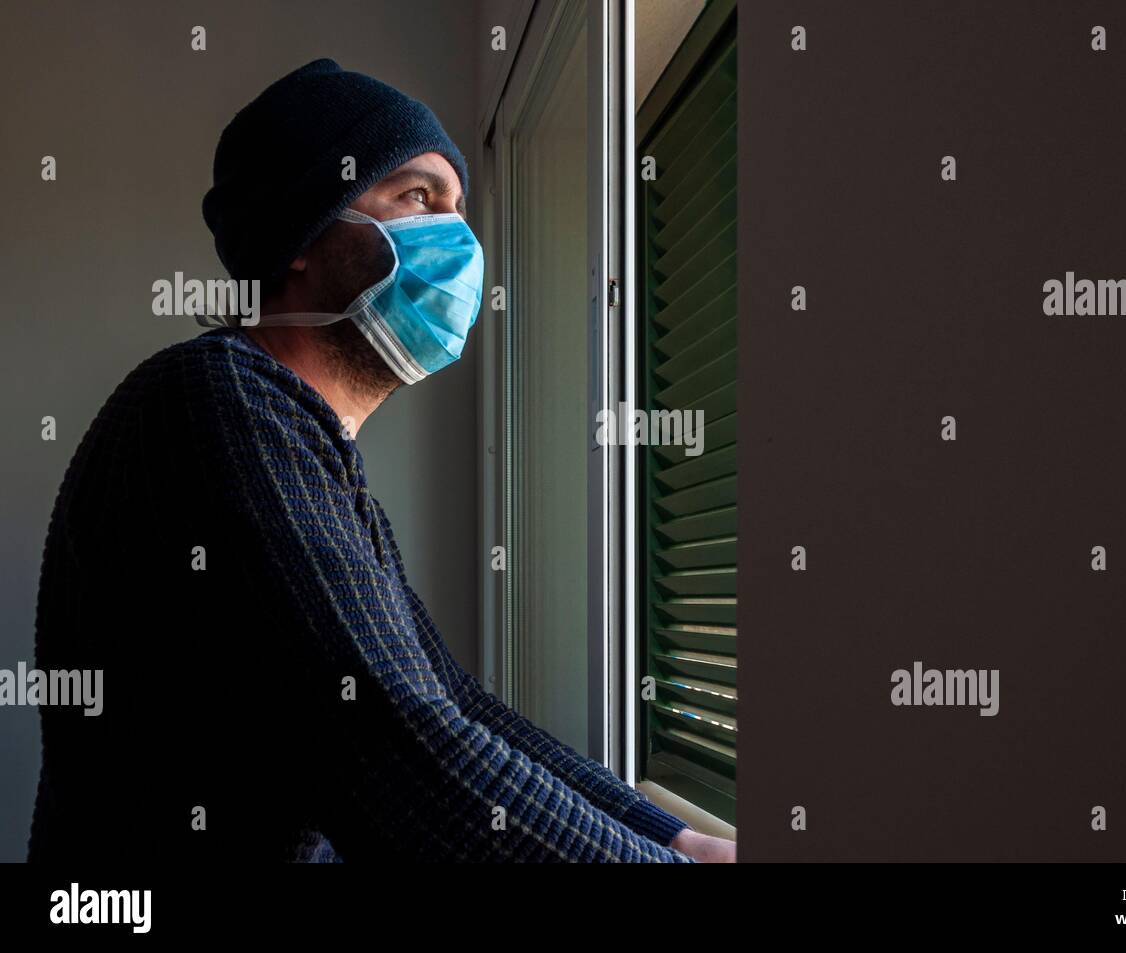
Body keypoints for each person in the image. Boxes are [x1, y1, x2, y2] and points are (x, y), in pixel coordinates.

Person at [28, 58, 735, 863]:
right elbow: (398, 749)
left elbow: (456, 704)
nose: (460, 240)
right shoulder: (216, 400)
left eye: (460, 209)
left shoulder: (308, 445)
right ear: (300, 235)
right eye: (417, 198)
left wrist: (681, 838)